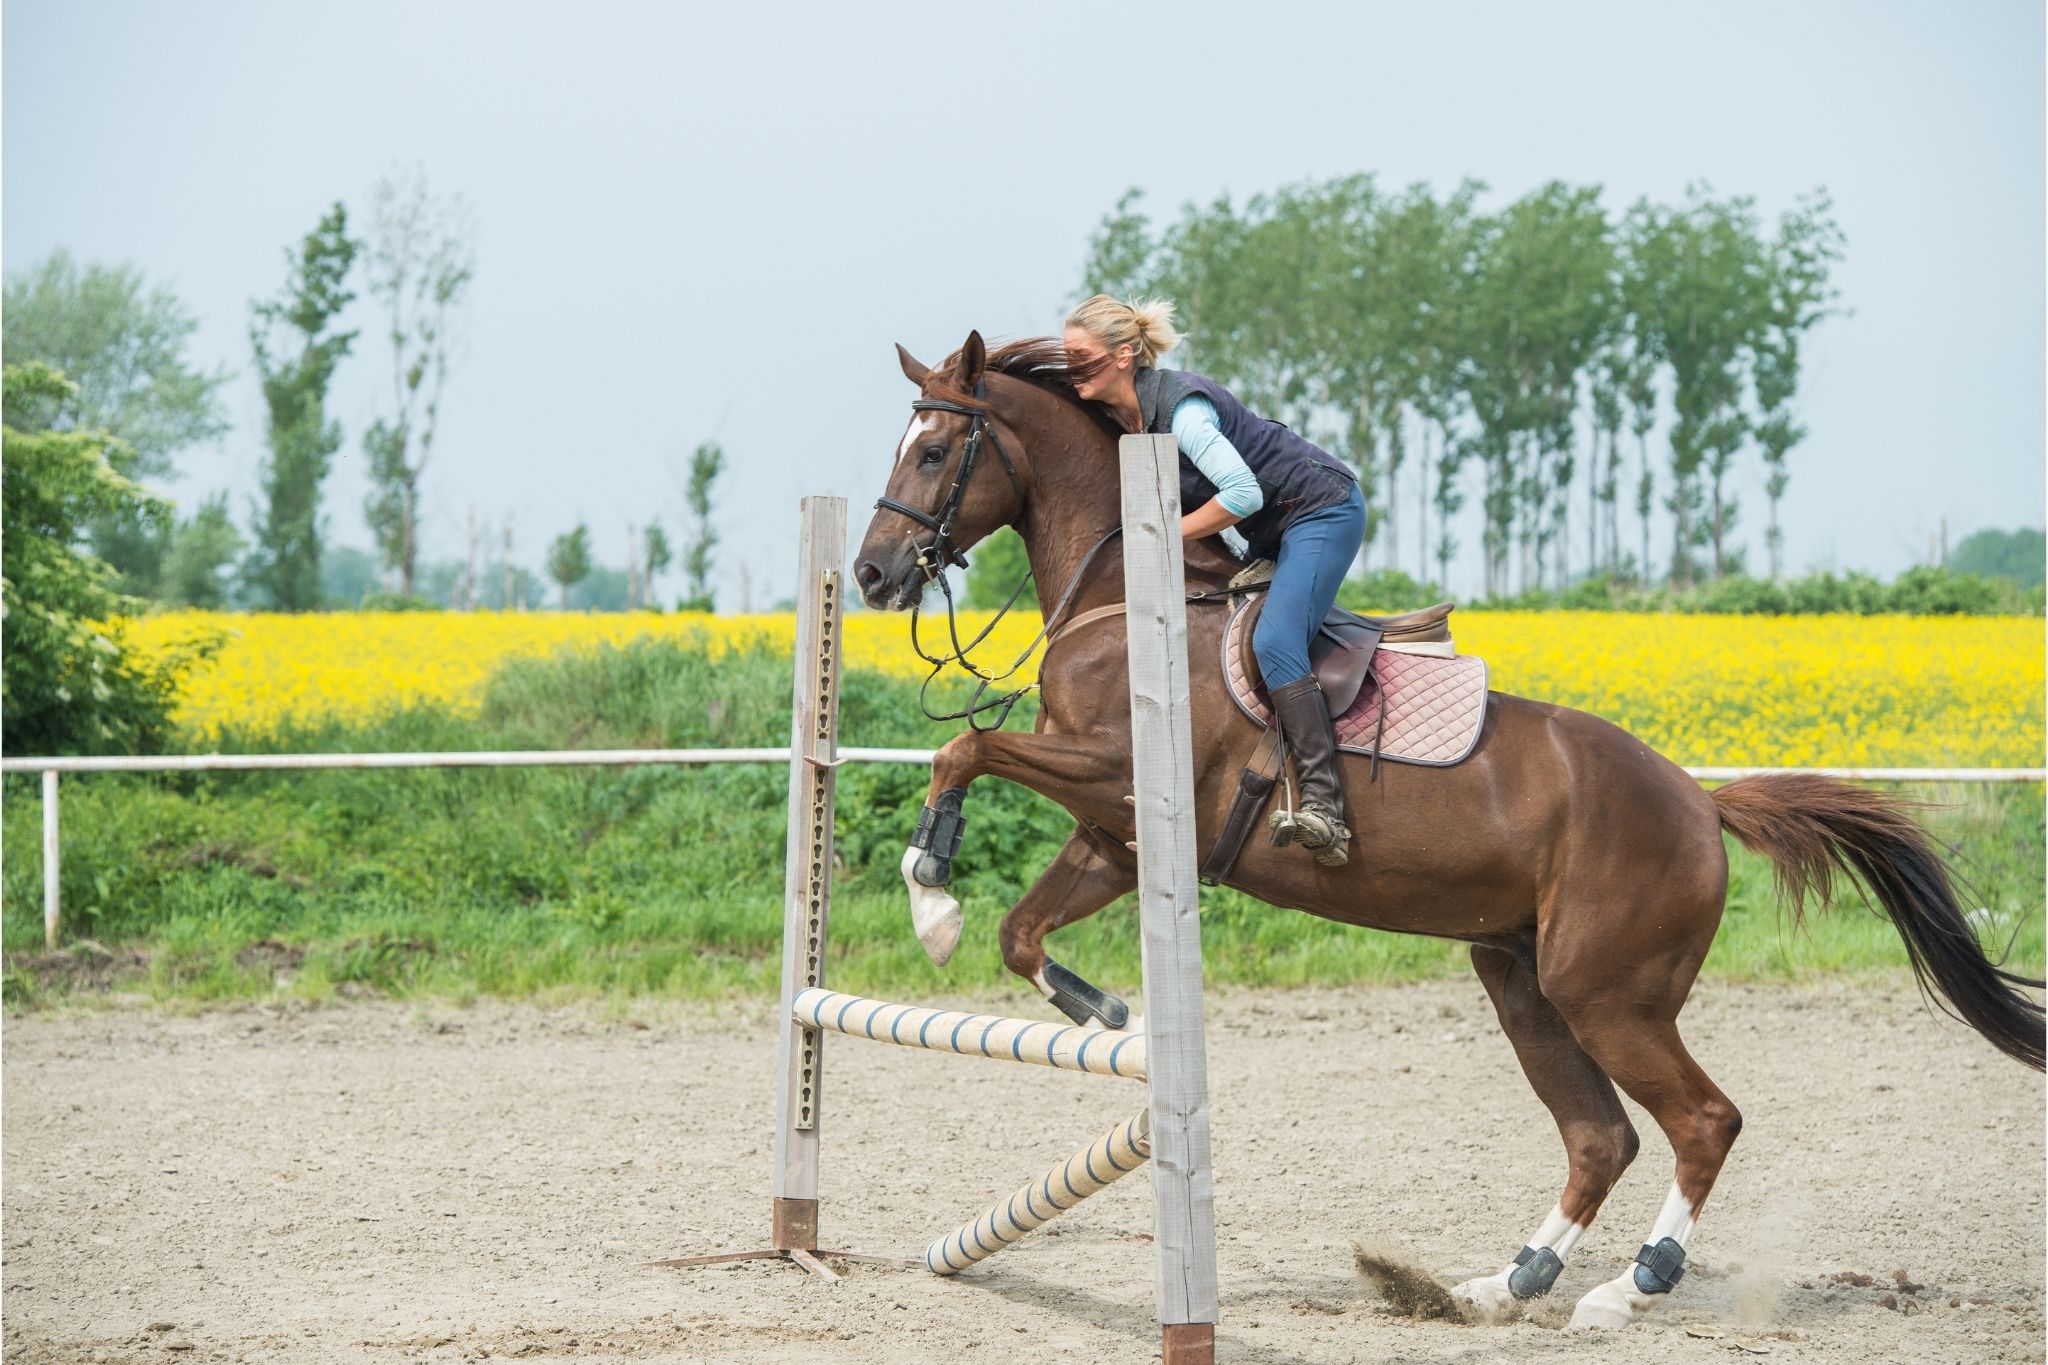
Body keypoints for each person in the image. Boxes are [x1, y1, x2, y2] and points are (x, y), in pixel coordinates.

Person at [1063, 294, 1366, 866]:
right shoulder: (1127, 413)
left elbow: (1243, 494)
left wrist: (1161, 535)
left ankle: (1324, 808)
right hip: (1272, 531)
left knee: (1275, 641)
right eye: (1067, 357)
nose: (1070, 368)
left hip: (1321, 510)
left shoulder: (1184, 411)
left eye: (1081, 357)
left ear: (1123, 355)